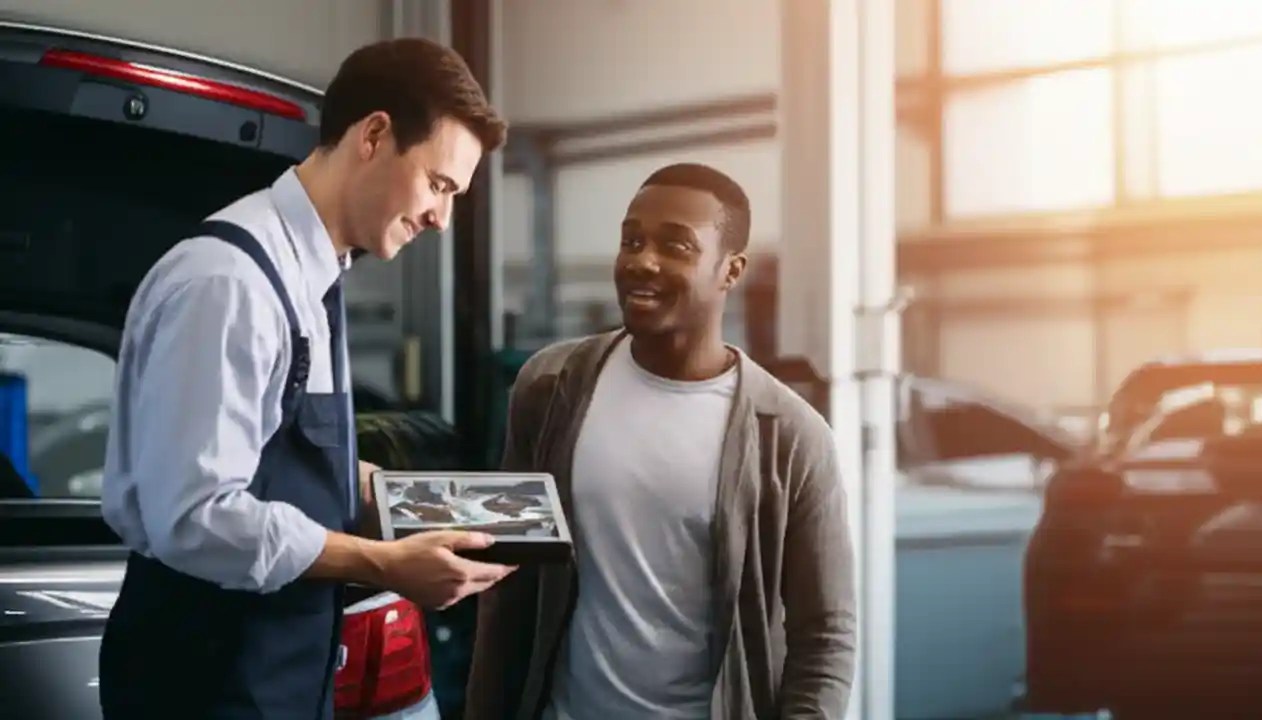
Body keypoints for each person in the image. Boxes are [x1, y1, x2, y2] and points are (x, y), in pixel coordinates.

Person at [98, 37, 514, 719]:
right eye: (440, 185)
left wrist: (420, 501)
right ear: (375, 135)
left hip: (277, 676)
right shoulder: (229, 285)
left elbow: (288, 454)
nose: (443, 218)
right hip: (205, 682)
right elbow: (197, 517)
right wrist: (384, 564)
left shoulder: (311, 276)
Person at [466, 163, 858, 719]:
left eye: (676, 246)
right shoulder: (551, 387)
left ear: (731, 271)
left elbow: (825, 636)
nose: (642, 261)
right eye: (632, 240)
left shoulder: (789, 437)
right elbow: (508, 586)